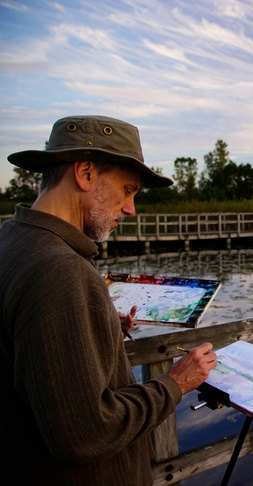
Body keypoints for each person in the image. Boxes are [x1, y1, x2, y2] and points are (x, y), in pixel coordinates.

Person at [0, 115, 218, 484]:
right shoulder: (60, 270)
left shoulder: (13, 239)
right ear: (85, 173)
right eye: (128, 190)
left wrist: (98, 325)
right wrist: (175, 384)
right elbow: (86, 435)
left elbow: (29, 349)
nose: (131, 208)